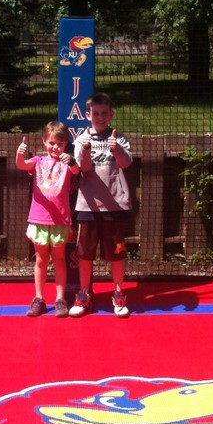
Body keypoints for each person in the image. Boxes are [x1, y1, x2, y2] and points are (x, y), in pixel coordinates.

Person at [69, 92, 132, 318]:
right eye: (96, 113)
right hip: (88, 205)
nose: (100, 117)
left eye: (104, 113)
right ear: (88, 115)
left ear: (111, 114)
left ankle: (118, 293)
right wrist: (85, 149)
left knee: (117, 253)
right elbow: (83, 169)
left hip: (115, 206)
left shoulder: (120, 138)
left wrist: (116, 149)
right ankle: (84, 295)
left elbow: (126, 163)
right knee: (85, 254)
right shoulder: (80, 140)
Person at [17, 121, 80, 317]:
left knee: (59, 259)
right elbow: (21, 165)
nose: (55, 147)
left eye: (60, 144)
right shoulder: (37, 161)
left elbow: (78, 171)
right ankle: (39, 298)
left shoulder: (67, 163)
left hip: (60, 220)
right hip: (39, 219)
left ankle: (60, 299)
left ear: (65, 144)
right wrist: (20, 153)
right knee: (41, 260)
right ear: (45, 141)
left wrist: (71, 161)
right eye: (52, 142)